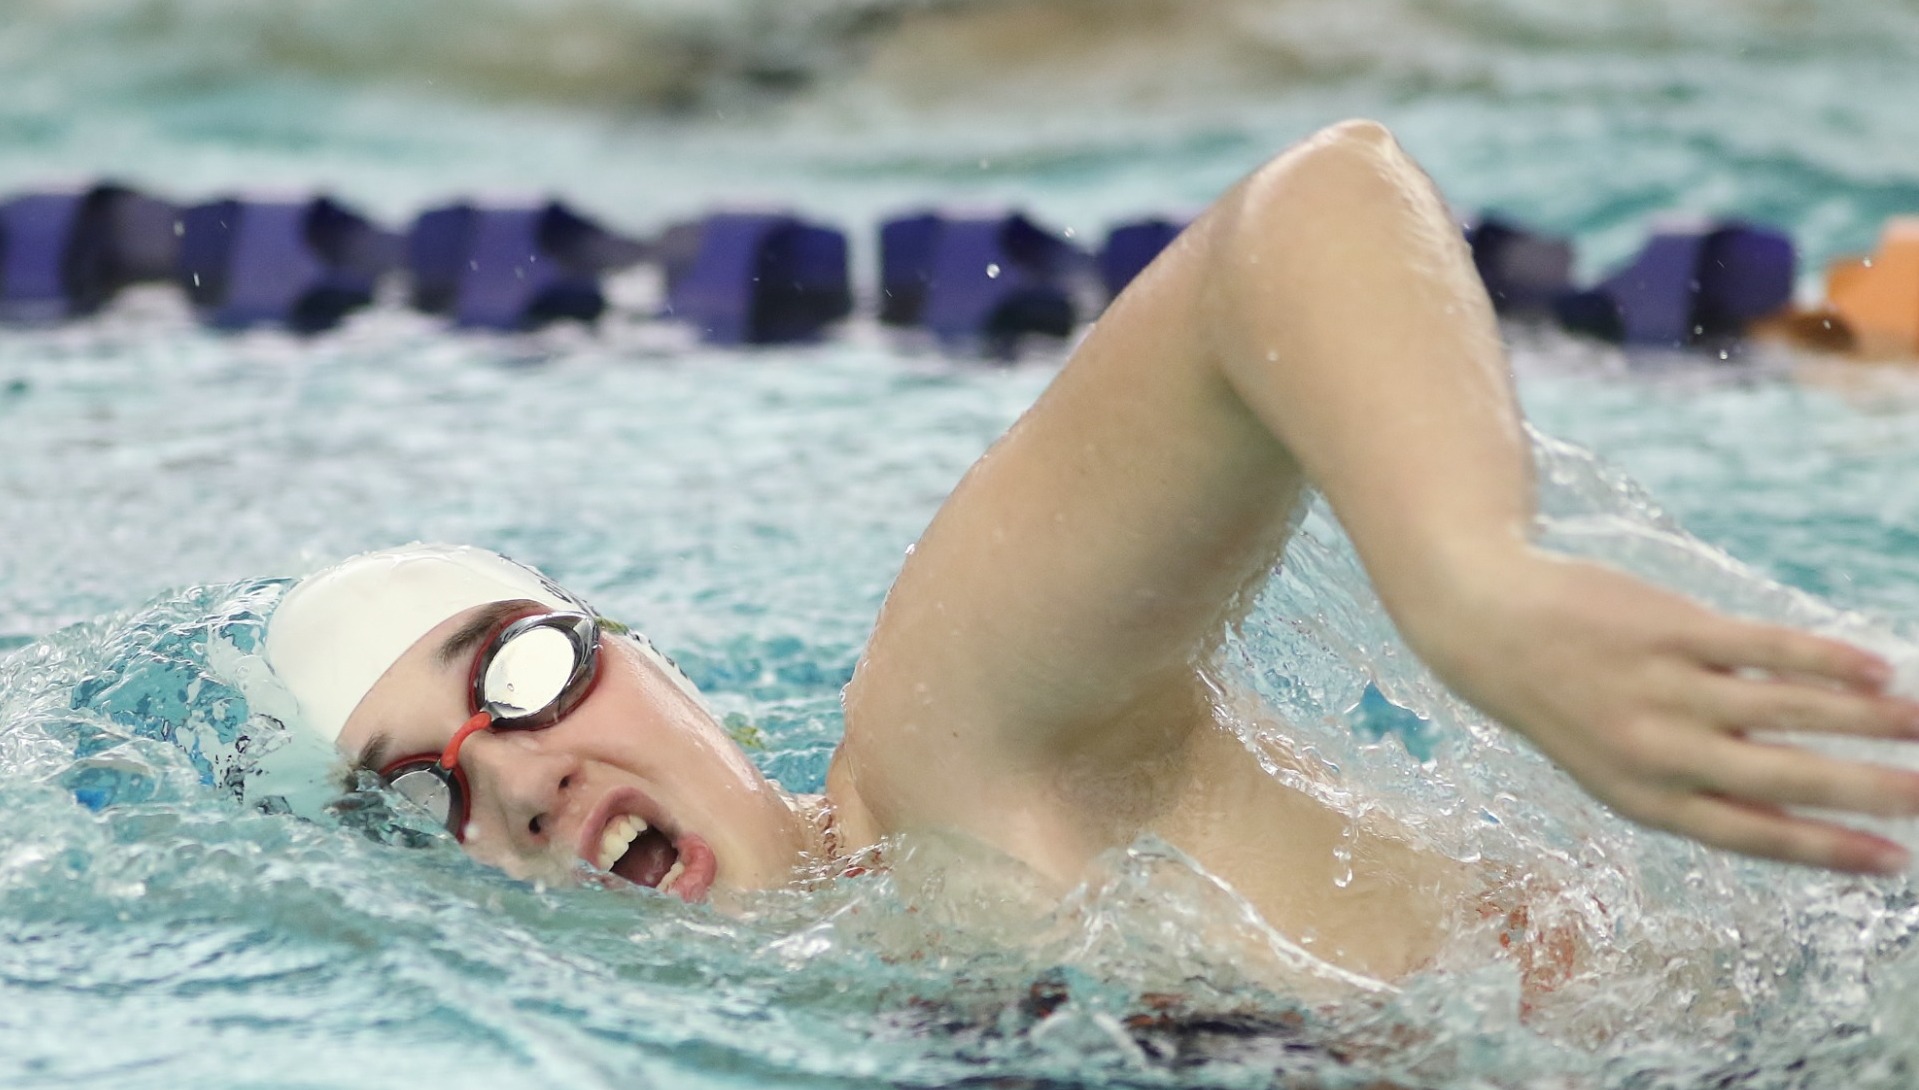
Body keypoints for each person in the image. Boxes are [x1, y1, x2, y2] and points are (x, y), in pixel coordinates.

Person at [258, 119, 1919, 989]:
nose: (521, 778)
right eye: (425, 797)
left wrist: (1471, 580)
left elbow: (1304, 213)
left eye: (520, 671)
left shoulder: (955, 757)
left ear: (654, 664)